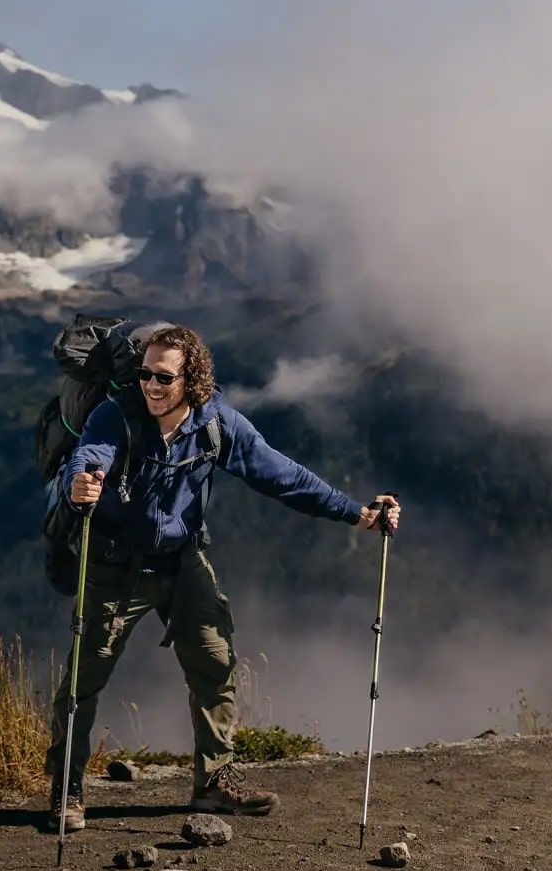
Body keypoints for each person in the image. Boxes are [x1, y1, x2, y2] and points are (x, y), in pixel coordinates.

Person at [46, 324, 402, 831]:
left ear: (191, 381)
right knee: (85, 678)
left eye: (163, 377)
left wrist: (356, 513)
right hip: (114, 565)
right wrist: (80, 483)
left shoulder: (216, 423)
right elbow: (89, 456)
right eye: (145, 374)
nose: (150, 385)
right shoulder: (115, 414)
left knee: (214, 662)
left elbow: (282, 475)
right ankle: (67, 789)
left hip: (183, 560)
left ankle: (214, 783)